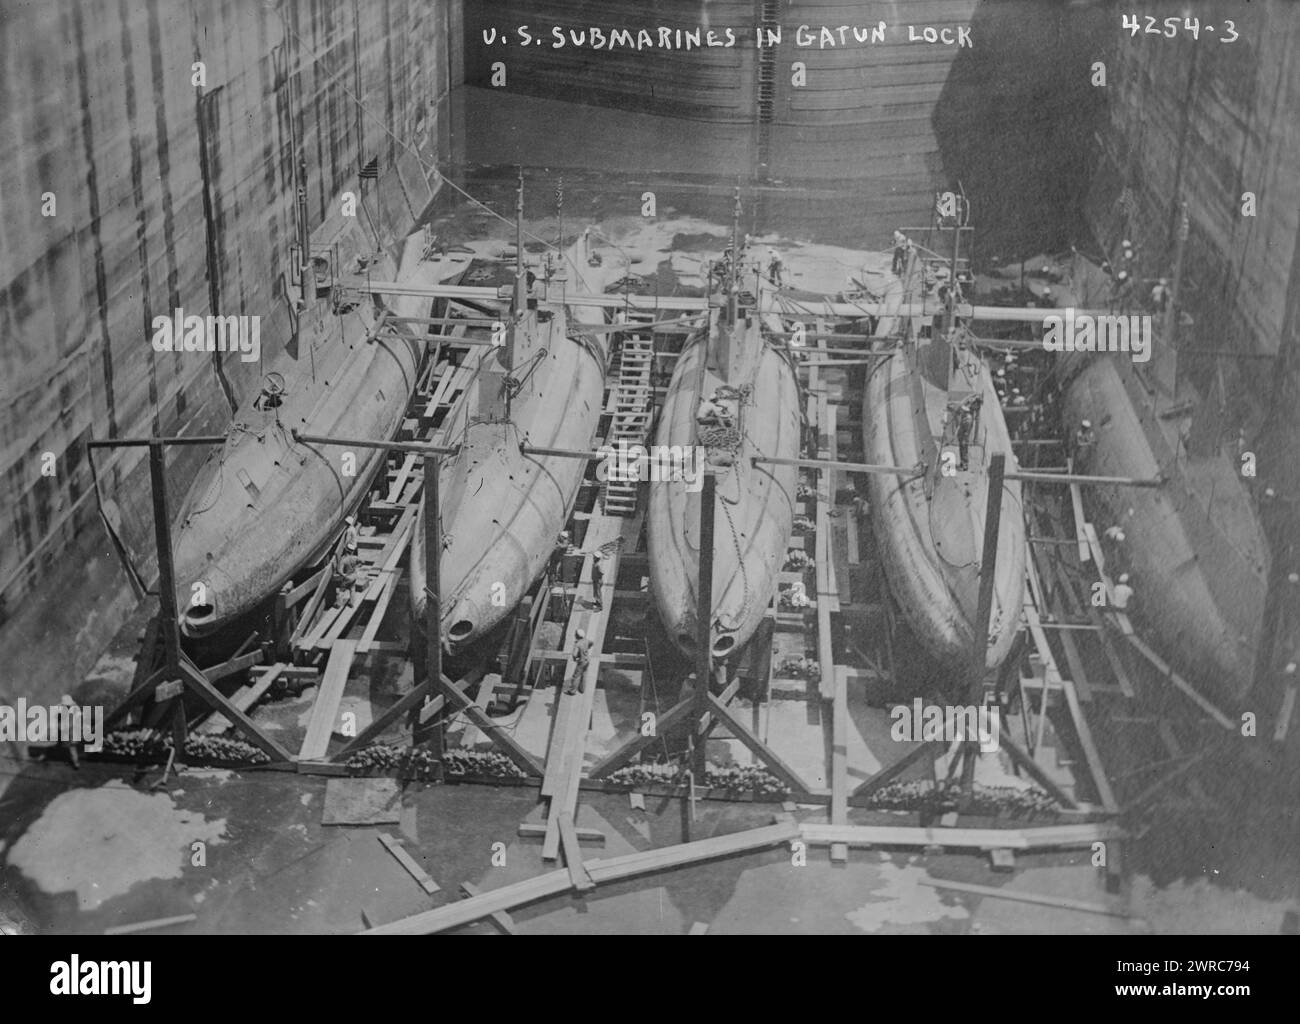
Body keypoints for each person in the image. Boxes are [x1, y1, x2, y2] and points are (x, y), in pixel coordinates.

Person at [565, 630, 593, 695]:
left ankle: (572, 691)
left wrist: (575, 659)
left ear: (577, 636)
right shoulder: (586, 640)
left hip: (581, 661)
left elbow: (574, 654)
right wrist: (588, 647)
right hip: (587, 660)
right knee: (584, 674)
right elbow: (591, 643)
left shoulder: (578, 644)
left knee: (576, 676)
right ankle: (582, 689)